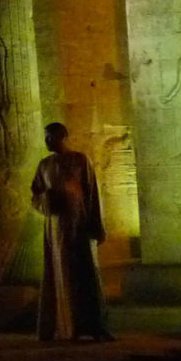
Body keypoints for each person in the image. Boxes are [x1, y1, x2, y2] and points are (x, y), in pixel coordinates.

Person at [30, 121, 112, 342]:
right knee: (60, 274)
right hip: (56, 229)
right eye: (45, 137)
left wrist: (96, 225)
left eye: (50, 136)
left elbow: (91, 193)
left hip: (78, 224)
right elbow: (35, 195)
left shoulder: (79, 160)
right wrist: (45, 201)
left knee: (84, 273)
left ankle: (93, 326)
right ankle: (65, 327)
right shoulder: (44, 165)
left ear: (63, 136)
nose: (47, 141)